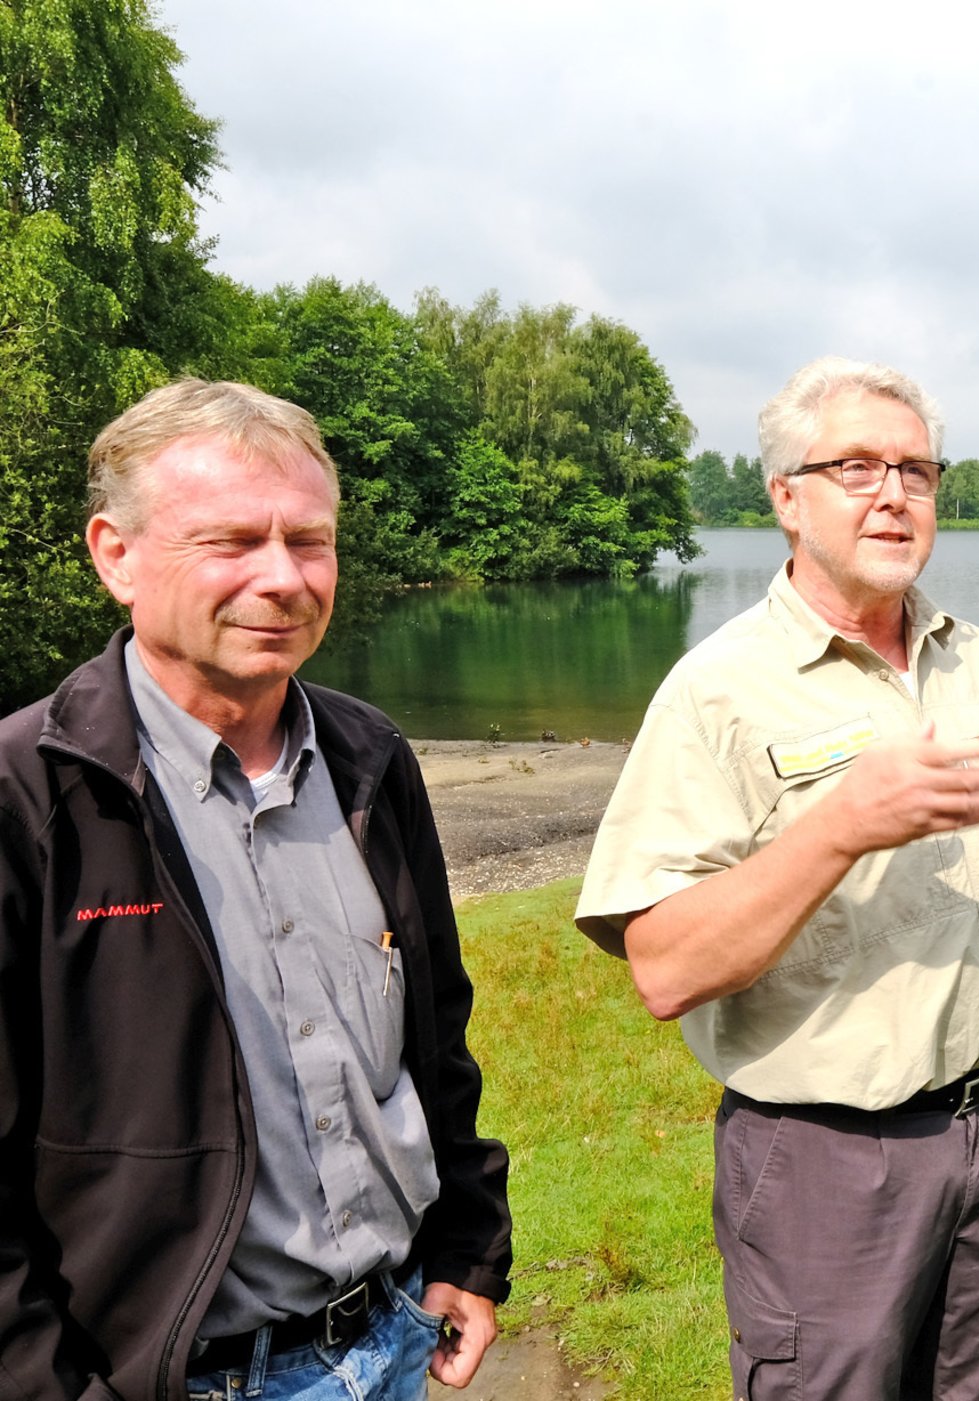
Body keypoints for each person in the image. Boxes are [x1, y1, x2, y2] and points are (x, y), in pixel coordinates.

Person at [575, 355, 979, 1399]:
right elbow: (663, 968)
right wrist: (840, 831)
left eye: (915, 470)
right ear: (785, 497)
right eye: (855, 466)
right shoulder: (717, 690)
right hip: (825, 1160)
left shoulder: (974, 657)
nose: (893, 493)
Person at [0, 380, 512, 1401]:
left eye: (308, 541)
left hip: (395, 1334)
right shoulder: (28, 797)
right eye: (231, 541)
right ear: (116, 555)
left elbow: (434, 1038)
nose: (282, 578)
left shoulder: (371, 759)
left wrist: (468, 1245)